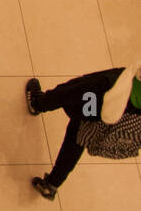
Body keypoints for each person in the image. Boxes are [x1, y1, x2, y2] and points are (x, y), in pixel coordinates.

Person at [26, 62, 141, 200]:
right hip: (127, 107)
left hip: (114, 91)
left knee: (72, 92)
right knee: (80, 130)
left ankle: (38, 103)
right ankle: (51, 184)